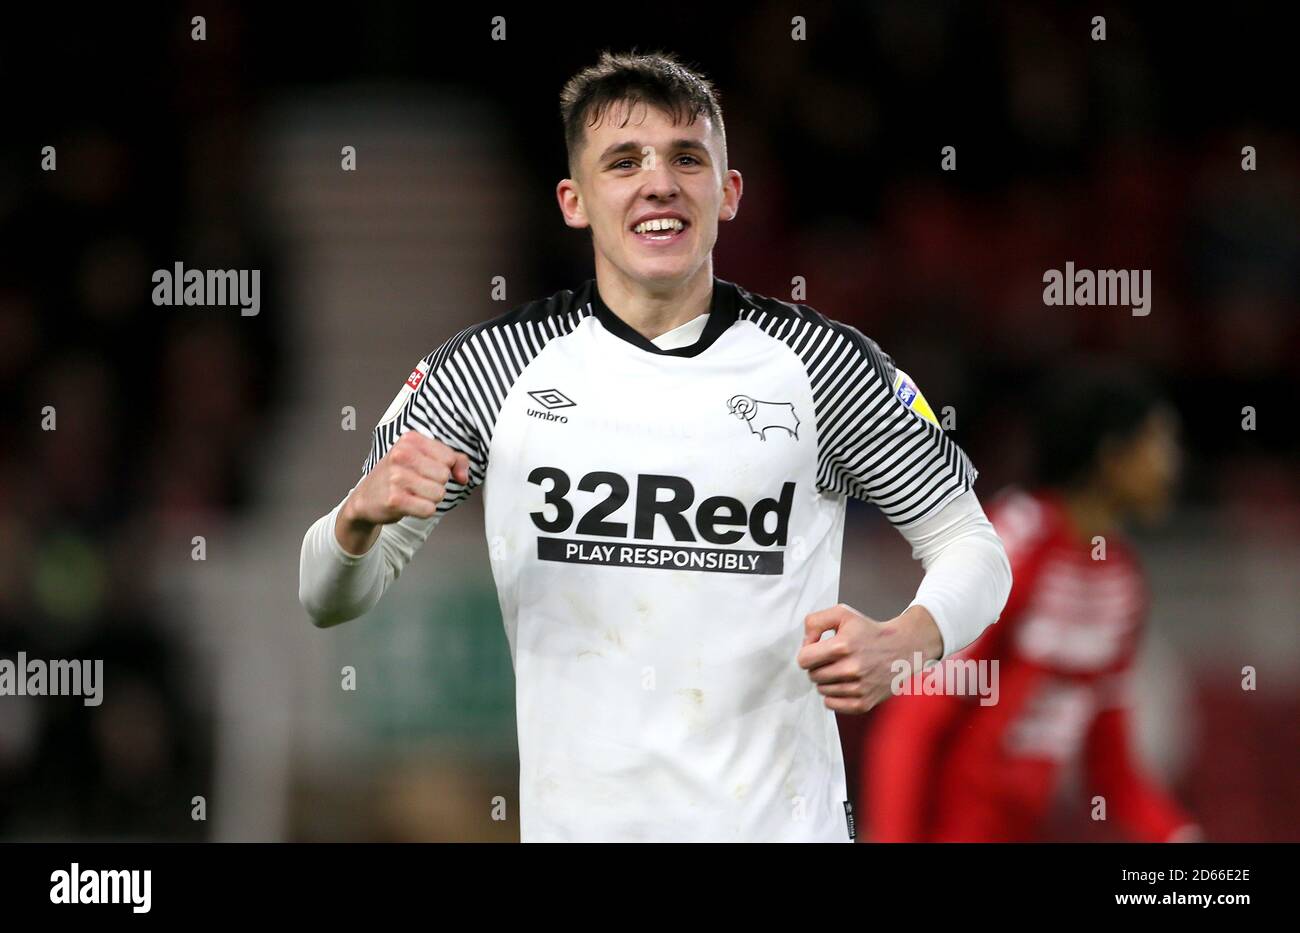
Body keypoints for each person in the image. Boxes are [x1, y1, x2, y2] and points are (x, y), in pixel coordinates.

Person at [299, 50, 1011, 842]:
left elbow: (974, 546)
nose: (659, 182)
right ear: (574, 200)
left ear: (728, 192)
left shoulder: (824, 366)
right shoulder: (492, 370)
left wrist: (906, 641)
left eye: (687, 158)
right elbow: (327, 597)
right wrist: (356, 521)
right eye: (624, 161)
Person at [864, 363, 1201, 842]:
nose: (1172, 464)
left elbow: (1110, 766)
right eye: (1159, 443)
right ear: (1112, 454)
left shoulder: (1121, 582)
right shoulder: (1017, 542)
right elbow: (916, 716)